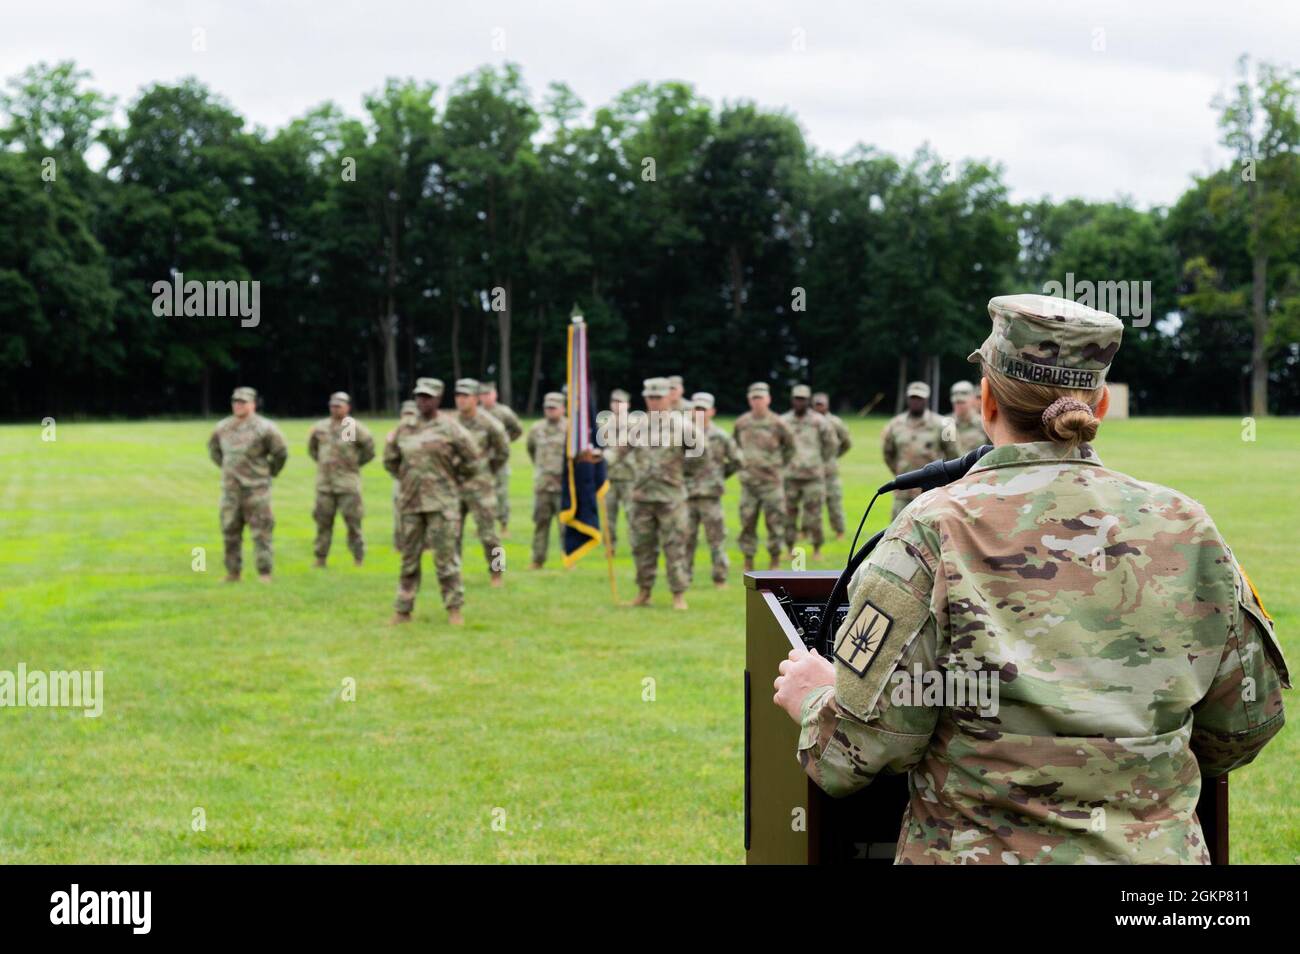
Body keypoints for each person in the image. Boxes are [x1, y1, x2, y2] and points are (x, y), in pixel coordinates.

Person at [773, 294, 1289, 865]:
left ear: (987, 399)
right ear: (1098, 403)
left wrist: (815, 694)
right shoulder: (1188, 526)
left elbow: (853, 754)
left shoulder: (932, 528)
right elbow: (1243, 725)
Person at [385, 377, 477, 626]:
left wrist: (452, 479)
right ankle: (403, 609)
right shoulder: (404, 427)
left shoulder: (451, 428)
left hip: (443, 503)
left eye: (428, 397)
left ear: (438, 399)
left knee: (446, 559)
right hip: (411, 503)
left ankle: (454, 608)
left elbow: (472, 459)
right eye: (419, 396)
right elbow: (390, 460)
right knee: (409, 560)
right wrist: (407, 479)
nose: (422, 401)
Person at [624, 377, 694, 609]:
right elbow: (618, 451)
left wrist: (686, 480)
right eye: (650, 397)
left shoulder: (683, 425)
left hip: (671, 497)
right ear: (645, 398)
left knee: (675, 547)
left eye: (658, 397)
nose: (654, 402)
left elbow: (700, 458)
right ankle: (644, 592)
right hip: (642, 497)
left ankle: (678, 594)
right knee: (642, 547)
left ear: (669, 397)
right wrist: (597, 461)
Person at [208, 386, 288, 583]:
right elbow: (214, 451)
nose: (238, 405)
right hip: (230, 490)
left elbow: (280, 452)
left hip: (256, 489)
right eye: (235, 401)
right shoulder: (223, 427)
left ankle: (264, 573)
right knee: (229, 531)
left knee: (261, 532)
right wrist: (228, 468)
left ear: (253, 404)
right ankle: (233, 573)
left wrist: (270, 471)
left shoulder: (265, 428)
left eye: (243, 402)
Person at [307, 391, 375, 568]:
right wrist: (324, 464)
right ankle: (320, 558)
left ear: (347, 407)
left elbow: (369, 449)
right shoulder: (320, 427)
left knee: (353, 523)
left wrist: (353, 465)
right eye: (333, 405)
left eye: (339, 405)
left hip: (347, 484)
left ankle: (358, 558)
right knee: (323, 523)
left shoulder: (351, 427)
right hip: (325, 485)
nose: (335, 408)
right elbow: (313, 449)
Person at [733, 382, 794, 572]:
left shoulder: (778, 423)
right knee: (747, 523)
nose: (757, 401)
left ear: (768, 399)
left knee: (775, 523)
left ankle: (774, 560)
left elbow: (790, 448)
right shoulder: (742, 423)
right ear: (749, 400)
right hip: (749, 484)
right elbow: (734, 446)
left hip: (771, 483)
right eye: (754, 398)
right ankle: (748, 560)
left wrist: (776, 466)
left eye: (760, 398)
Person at [454, 378, 509, 586]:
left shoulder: (490, 424)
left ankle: (497, 573)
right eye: (458, 396)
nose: (461, 400)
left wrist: (487, 469)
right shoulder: (451, 422)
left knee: (489, 535)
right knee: (452, 534)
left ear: (476, 399)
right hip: (455, 486)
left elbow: (503, 452)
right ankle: (453, 573)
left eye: (465, 396)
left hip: (481, 487)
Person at [683, 392, 742, 588]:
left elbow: (737, 460)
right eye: (696, 409)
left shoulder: (721, 436)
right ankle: (684, 578)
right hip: (687, 494)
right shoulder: (684, 435)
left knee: (716, 539)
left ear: (712, 411)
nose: (699, 413)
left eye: (703, 409)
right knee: (686, 539)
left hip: (711, 496)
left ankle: (720, 577)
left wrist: (719, 476)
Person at [881, 381, 957, 520]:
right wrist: (900, 472)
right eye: (913, 398)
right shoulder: (895, 424)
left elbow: (953, 456)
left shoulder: (944, 424)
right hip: (903, 492)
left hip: (932, 491)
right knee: (896, 533)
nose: (916, 402)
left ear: (926, 400)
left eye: (920, 398)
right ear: (907, 399)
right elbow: (888, 453)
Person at [781, 384, 837, 560]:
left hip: (813, 477)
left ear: (808, 401)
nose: (799, 402)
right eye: (797, 398)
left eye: (803, 399)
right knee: (788, 515)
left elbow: (831, 444)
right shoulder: (783, 421)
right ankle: (788, 547)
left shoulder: (819, 421)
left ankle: (816, 549)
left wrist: (819, 462)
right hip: (789, 476)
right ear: (792, 400)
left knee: (814, 516)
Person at [525, 392, 567, 568]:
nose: (550, 411)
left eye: (554, 408)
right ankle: (538, 559)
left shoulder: (570, 428)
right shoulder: (536, 428)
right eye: (547, 408)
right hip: (542, 484)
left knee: (566, 525)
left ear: (562, 408)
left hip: (563, 485)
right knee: (540, 524)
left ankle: (569, 558)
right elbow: (531, 449)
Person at [478, 381, 523, 536]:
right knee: (481, 494)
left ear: (495, 394)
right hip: (481, 461)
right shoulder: (477, 413)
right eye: (482, 395)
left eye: (488, 394)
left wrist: (504, 442)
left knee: (501, 493)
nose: (485, 397)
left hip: (499, 460)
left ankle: (503, 525)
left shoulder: (504, 412)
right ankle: (483, 527)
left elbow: (518, 429)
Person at [812, 392, 852, 540]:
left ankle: (839, 531)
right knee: (810, 503)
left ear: (827, 405)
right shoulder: (809, 421)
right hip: (811, 470)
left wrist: (834, 456)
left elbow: (847, 442)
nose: (818, 407)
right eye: (816, 404)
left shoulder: (835, 422)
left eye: (821, 404)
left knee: (834, 501)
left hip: (830, 470)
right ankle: (806, 530)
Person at [603, 388, 634, 550]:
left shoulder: (636, 425)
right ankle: (609, 547)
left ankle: (637, 546)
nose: (617, 405)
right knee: (608, 517)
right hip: (609, 477)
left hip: (630, 477)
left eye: (620, 402)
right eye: (614, 402)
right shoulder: (603, 426)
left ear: (627, 405)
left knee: (633, 515)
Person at [388, 400, 418, 552]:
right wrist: (399, 474)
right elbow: (389, 458)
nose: (408, 418)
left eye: (411, 414)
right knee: (399, 513)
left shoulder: (423, 431)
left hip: (421, 481)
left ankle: (425, 544)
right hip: (401, 479)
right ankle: (399, 544)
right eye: (406, 414)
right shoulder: (395, 433)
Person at [947, 379, 989, 454]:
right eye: (957, 403)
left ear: (973, 399)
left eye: (962, 402)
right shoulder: (945, 424)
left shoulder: (983, 423)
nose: (959, 406)